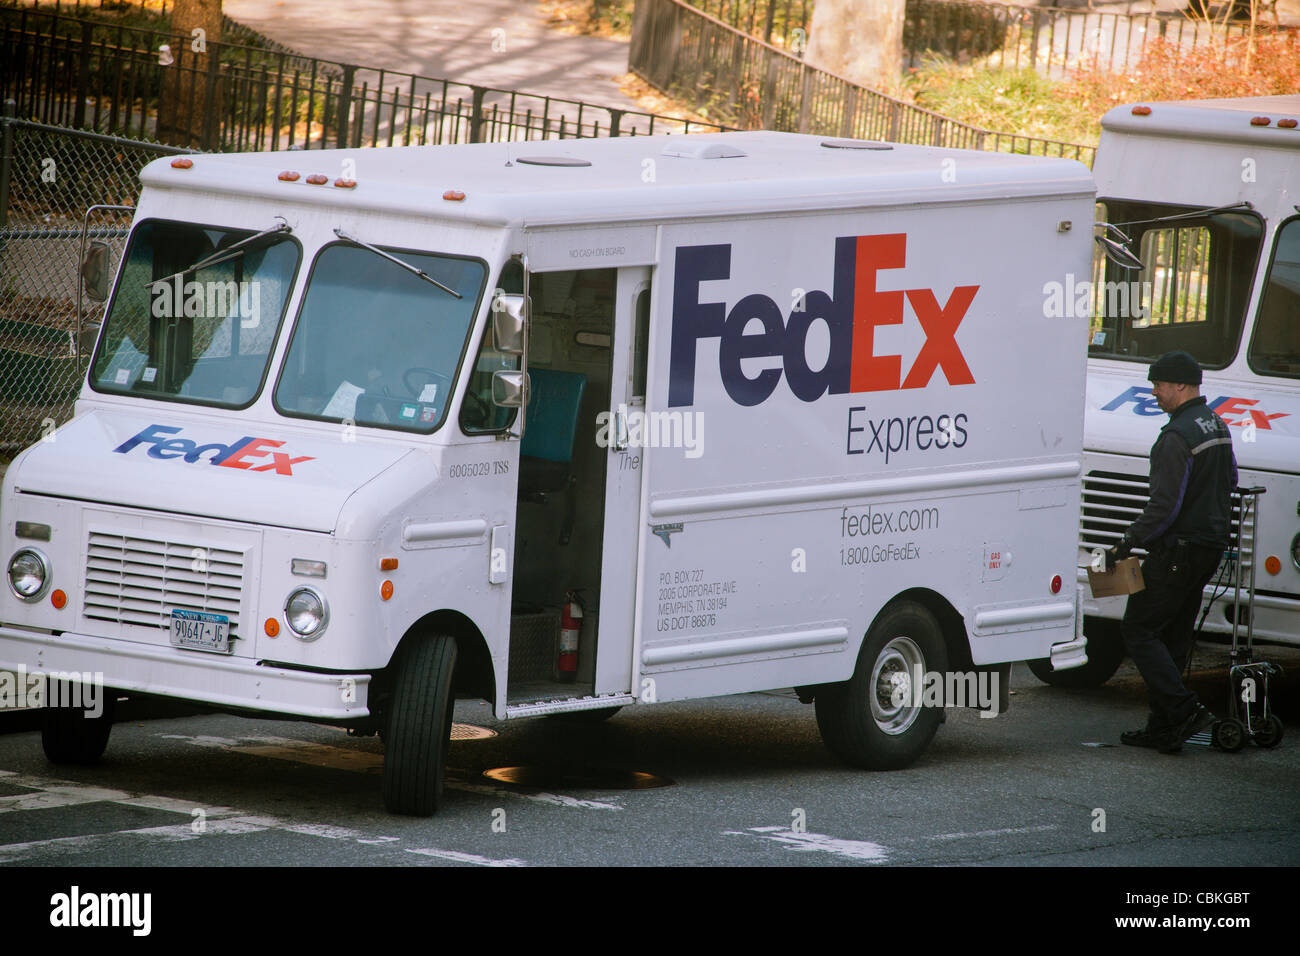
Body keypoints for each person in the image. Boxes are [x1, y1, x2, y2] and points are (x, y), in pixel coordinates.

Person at [1106, 351, 1237, 753]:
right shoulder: (1216, 425)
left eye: (1159, 384)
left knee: (1139, 629)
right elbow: (1230, 480)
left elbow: (1165, 507)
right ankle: (1164, 728)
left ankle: (1182, 712)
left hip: (1177, 551)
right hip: (1209, 550)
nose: (1154, 391)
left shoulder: (1176, 436)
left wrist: (1127, 542)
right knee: (1175, 636)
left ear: (1180, 385)